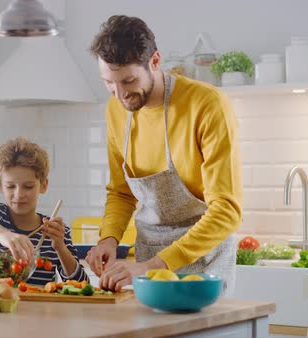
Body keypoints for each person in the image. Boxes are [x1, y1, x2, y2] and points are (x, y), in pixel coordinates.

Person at [86, 15, 243, 293]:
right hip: (148, 262)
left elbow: (227, 211)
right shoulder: (115, 110)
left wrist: (154, 265)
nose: (120, 94)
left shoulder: (207, 105)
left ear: (155, 62)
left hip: (204, 264)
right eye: (109, 83)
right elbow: (121, 193)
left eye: (129, 80)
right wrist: (108, 240)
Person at [0, 137, 88, 285]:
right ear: (0, 186)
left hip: (38, 307)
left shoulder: (56, 231)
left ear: (43, 186)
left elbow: (81, 284)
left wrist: (60, 247)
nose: (19, 194)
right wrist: (2, 234)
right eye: (10, 186)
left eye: (28, 186)